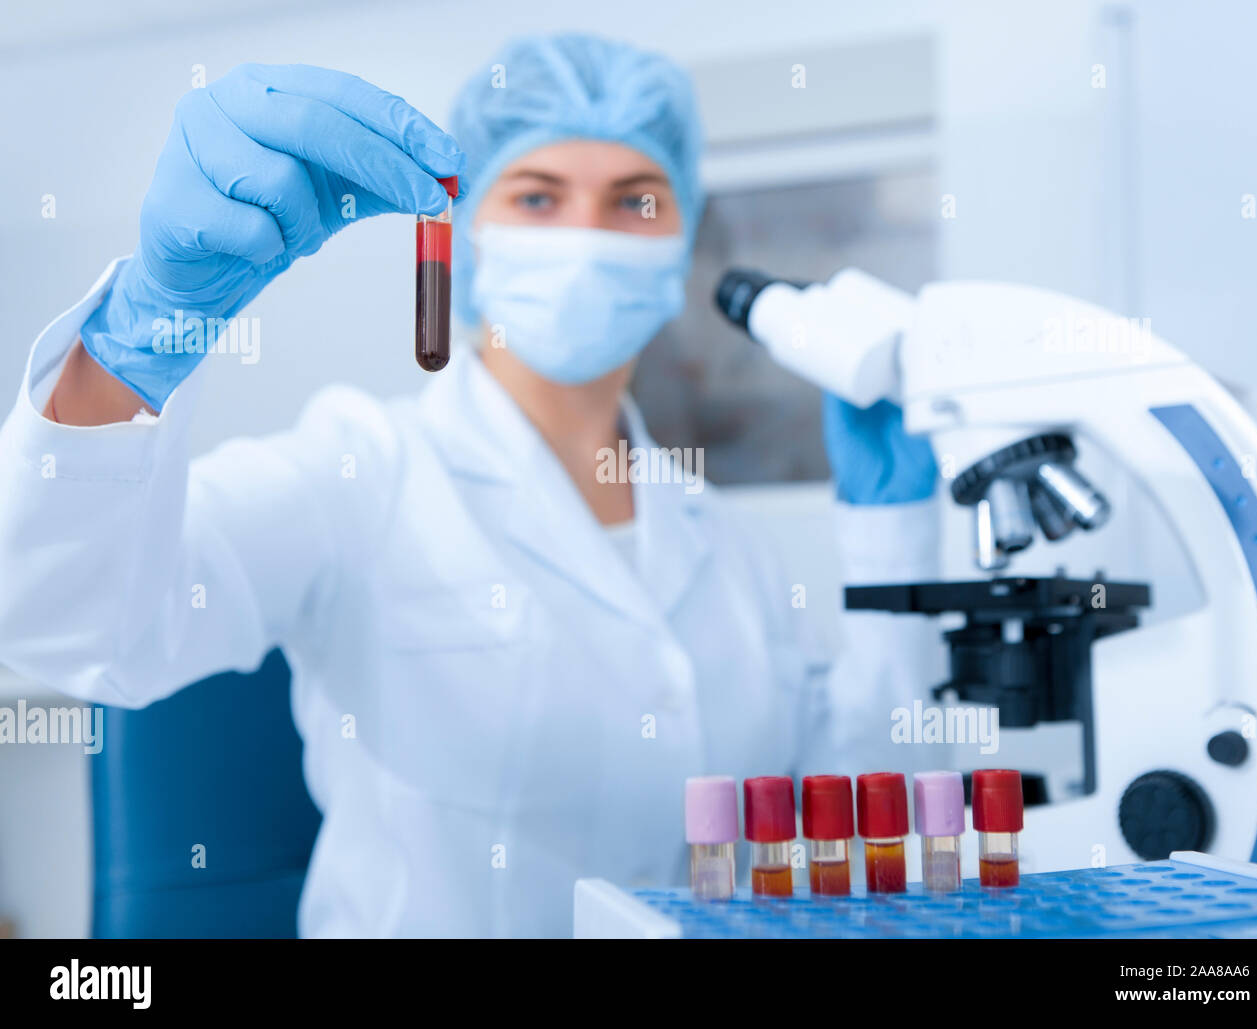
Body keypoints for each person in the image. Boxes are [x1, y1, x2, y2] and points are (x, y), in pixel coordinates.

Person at [0, 35, 939, 937]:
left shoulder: (726, 544)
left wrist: (893, 545)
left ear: (683, 228)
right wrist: (142, 337)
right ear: (463, 229)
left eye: (634, 201)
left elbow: (849, 820)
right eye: (536, 198)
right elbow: (69, 628)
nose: (586, 236)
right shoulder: (356, 471)